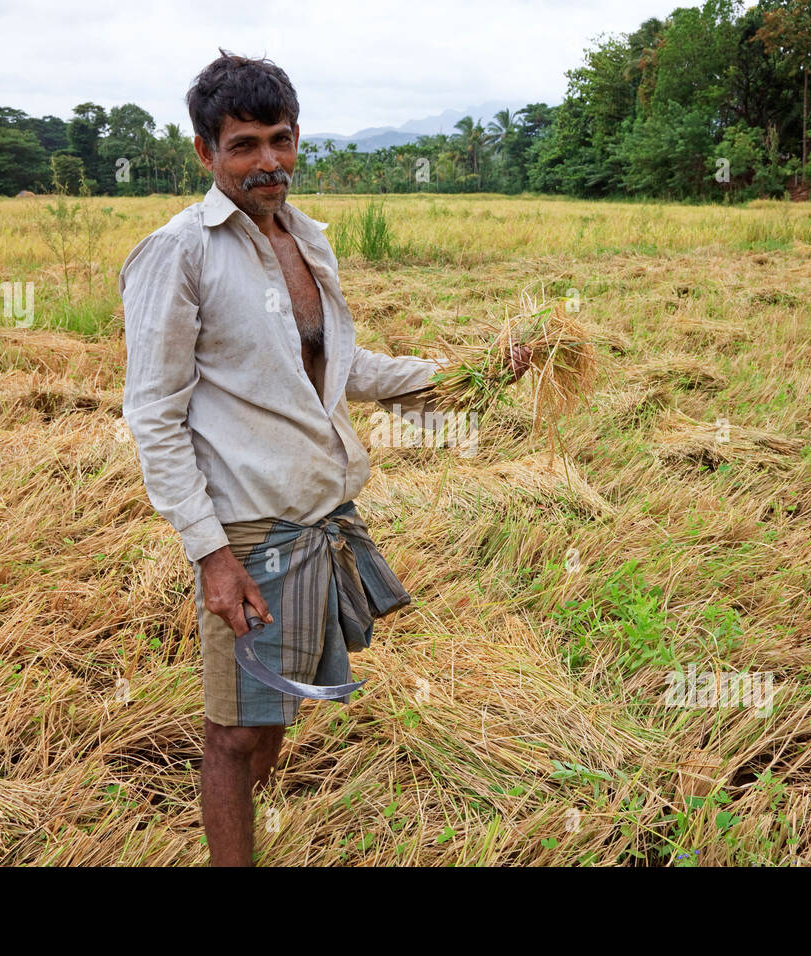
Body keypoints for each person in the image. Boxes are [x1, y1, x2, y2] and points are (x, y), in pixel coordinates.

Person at [119, 49, 530, 867]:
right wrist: (212, 555)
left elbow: (338, 363)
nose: (266, 161)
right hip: (251, 529)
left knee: (271, 720)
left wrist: (471, 375)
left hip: (320, 516)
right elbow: (153, 416)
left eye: (278, 139)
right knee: (237, 735)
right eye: (242, 145)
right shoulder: (182, 252)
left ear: (297, 137)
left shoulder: (304, 239)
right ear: (205, 153)